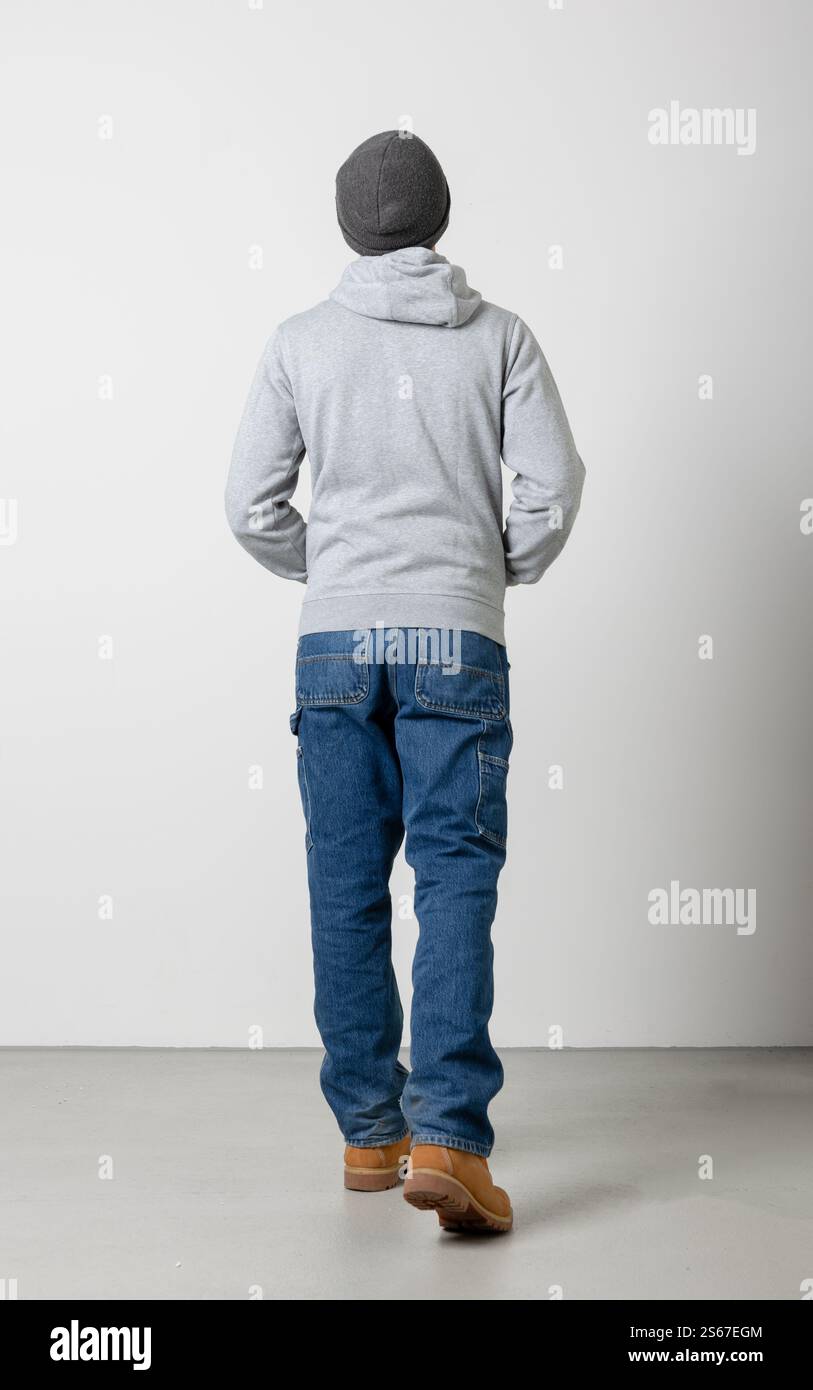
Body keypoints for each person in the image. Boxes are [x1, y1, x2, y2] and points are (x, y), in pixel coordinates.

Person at [226, 129, 585, 1234]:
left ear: (347, 225)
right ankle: (452, 1140)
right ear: (440, 216)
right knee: (454, 878)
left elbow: (250, 506)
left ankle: (371, 1136)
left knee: (345, 883)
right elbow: (553, 486)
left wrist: (334, 570)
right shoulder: (501, 336)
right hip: (456, 642)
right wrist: (483, 571)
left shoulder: (299, 342)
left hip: (333, 649)